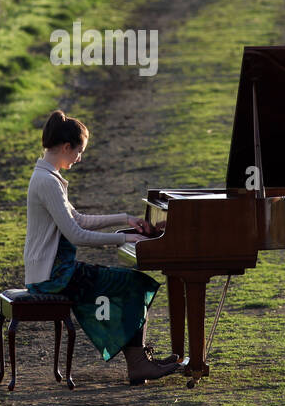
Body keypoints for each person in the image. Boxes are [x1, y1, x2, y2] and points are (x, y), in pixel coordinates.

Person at [24, 109, 182, 385]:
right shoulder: (47, 182)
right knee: (135, 284)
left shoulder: (48, 177)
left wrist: (125, 219)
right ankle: (138, 363)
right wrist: (125, 238)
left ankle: (139, 361)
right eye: (79, 151)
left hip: (56, 271)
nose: (79, 158)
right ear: (65, 147)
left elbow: (79, 219)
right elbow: (77, 235)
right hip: (52, 277)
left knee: (132, 284)